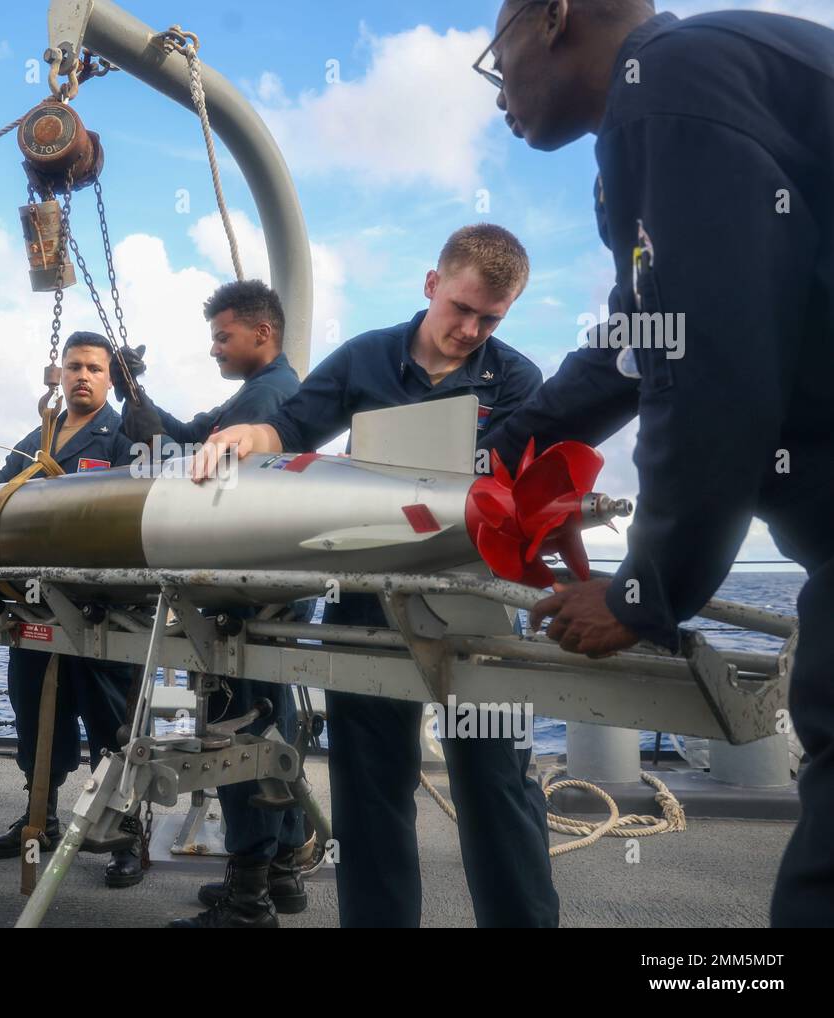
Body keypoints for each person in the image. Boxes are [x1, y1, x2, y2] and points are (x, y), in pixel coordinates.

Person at [477, 0, 834, 926]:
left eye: (496, 52)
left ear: (551, 16)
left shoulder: (671, 86)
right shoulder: (702, 79)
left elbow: (715, 368)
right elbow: (645, 340)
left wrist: (645, 590)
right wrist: (506, 446)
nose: (500, 92)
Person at [192, 225, 558, 927]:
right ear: (431, 284)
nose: (470, 329)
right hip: (365, 605)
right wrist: (249, 436)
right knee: (368, 795)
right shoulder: (365, 357)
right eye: (460, 309)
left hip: (474, 605)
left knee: (499, 791)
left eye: (490, 319)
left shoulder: (516, 381)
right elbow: (292, 426)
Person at [112, 279, 310, 928]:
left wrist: (154, 437)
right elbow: (189, 435)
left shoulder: (272, 398)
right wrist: (136, 398)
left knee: (239, 738)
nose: (215, 349)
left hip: (243, 601)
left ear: (263, 333)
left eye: (223, 337)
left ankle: (247, 900)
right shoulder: (258, 395)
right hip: (260, 596)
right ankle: (278, 875)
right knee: (266, 726)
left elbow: (200, 470)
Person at [0, 331, 145, 888]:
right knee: (34, 712)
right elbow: (1, 486)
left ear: (109, 377)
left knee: (111, 725)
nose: (82, 376)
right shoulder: (42, 433)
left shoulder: (125, 434)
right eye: (73, 366)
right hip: (36, 604)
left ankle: (127, 835)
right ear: (60, 373)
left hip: (103, 608)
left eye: (94, 368)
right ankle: (39, 819)